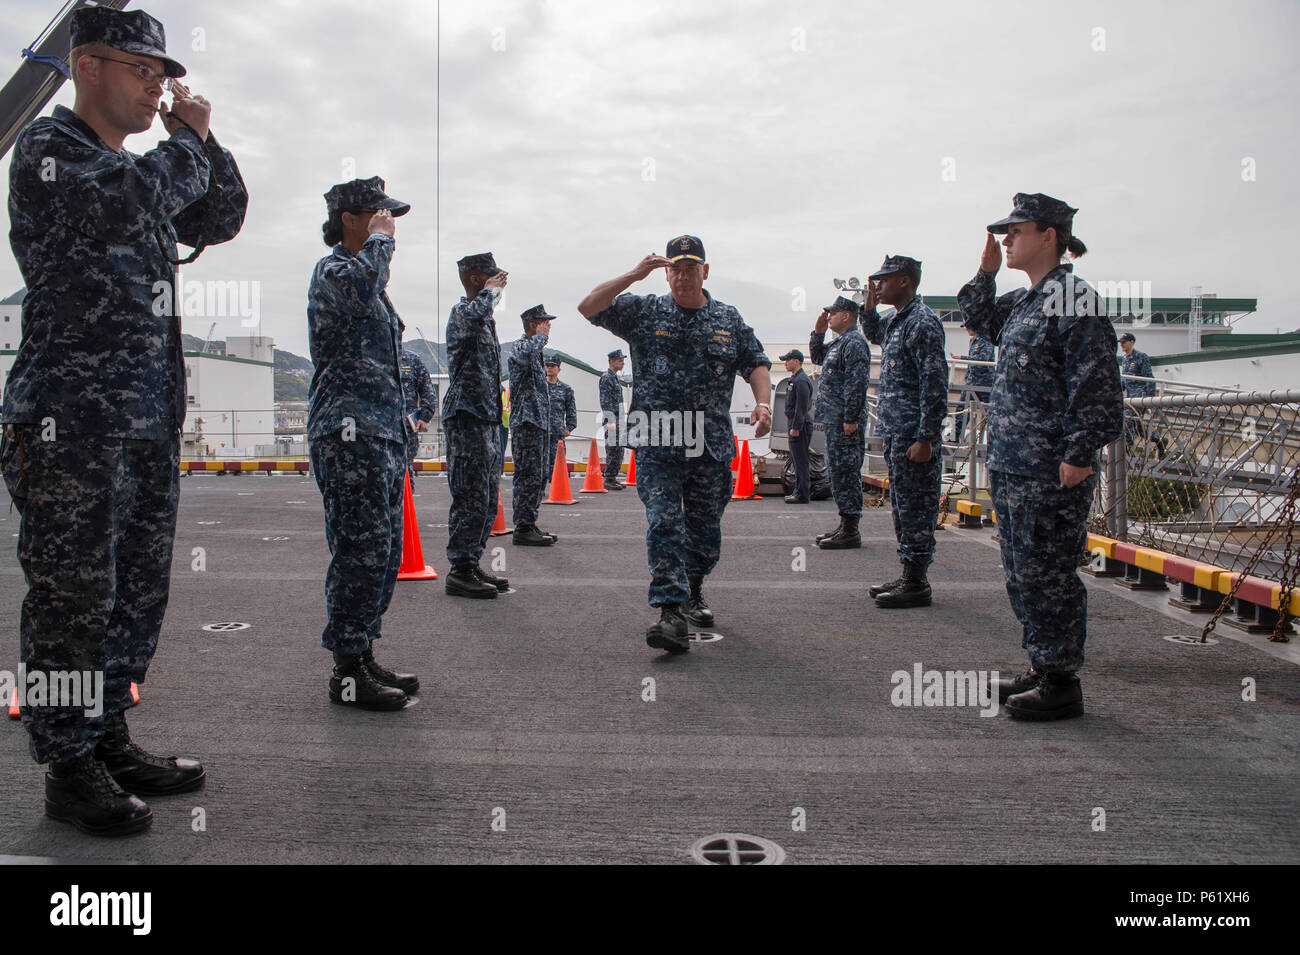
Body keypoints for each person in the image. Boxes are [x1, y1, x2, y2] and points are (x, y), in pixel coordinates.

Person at [0, 5, 246, 835]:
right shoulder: (50, 152)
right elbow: (136, 198)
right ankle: (67, 763)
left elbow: (219, 215)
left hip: (141, 419)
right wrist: (182, 148)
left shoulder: (151, 167)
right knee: (71, 598)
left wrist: (202, 141)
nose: (158, 88)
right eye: (143, 71)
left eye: (164, 75)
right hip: (68, 423)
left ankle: (106, 733)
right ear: (87, 67)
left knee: (132, 594)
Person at [957, 192, 1123, 720]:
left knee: (1049, 572)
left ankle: (1061, 682)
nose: (1005, 241)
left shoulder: (1073, 298)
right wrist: (984, 273)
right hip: (1014, 463)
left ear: (1049, 235)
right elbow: (980, 318)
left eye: (1016, 231)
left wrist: (1078, 451)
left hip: (1051, 467)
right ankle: (1040, 662)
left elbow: (1096, 384)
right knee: (1021, 570)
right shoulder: (1027, 300)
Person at [580, 236, 771, 651]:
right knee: (664, 522)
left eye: (691, 268)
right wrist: (633, 274)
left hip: (710, 444)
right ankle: (670, 612)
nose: (683, 276)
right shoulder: (644, 310)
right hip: (657, 441)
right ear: (665, 272)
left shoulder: (727, 318)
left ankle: (693, 588)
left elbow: (756, 362)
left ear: (705, 271)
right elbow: (588, 307)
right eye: (675, 269)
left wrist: (762, 403)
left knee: (704, 532)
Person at [308, 176, 420, 713]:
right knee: (359, 550)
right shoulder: (337, 272)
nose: (388, 223)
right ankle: (346, 670)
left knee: (383, 549)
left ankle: (364, 649)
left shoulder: (367, 276)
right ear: (351, 218)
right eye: (378, 214)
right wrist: (381, 241)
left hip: (379, 435)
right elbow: (360, 286)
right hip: (347, 434)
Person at [858, 256, 949, 608]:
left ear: (906, 281)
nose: (878, 286)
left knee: (916, 506)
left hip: (914, 434)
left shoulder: (922, 323)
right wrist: (868, 304)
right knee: (903, 506)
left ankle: (917, 581)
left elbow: (934, 383)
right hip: (899, 431)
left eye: (885, 280)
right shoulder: (898, 321)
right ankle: (909, 573)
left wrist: (926, 437)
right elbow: (873, 332)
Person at [443, 253, 511, 598]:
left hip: (485, 415)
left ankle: (471, 561)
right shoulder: (463, 313)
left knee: (486, 495)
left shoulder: (485, 319)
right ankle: (459, 568)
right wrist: (490, 293)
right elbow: (472, 317)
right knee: (469, 495)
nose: (499, 284)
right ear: (474, 279)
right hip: (466, 415)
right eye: (491, 278)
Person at [808, 300, 870, 546]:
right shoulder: (840, 342)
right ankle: (845, 525)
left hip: (845, 421)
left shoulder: (854, 342)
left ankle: (851, 530)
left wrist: (851, 417)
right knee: (837, 472)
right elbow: (818, 357)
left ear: (846, 316)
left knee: (846, 472)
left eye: (832, 313)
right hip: (835, 420)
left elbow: (857, 383)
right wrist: (819, 332)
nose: (829, 316)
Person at [508, 305, 557, 546]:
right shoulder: (521, 347)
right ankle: (523, 527)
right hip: (526, 423)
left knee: (538, 476)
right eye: (543, 322)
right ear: (532, 324)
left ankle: (529, 521)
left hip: (538, 424)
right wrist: (540, 337)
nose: (548, 326)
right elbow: (524, 354)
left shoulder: (536, 352)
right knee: (527, 476)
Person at [1118, 332, 1165, 455]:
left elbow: (1149, 378)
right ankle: (1159, 440)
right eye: (1121, 343)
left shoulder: (1141, 356)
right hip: (1129, 398)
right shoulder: (1125, 359)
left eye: (1124, 342)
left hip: (1140, 397)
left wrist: (1149, 400)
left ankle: (1128, 450)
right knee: (1138, 427)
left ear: (1132, 342)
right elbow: (1124, 381)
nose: (1122, 345)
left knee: (1127, 420)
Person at [781, 349, 815, 504]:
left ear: (797, 361)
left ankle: (802, 494)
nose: (786, 363)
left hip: (799, 425)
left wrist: (796, 427)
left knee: (801, 460)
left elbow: (801, 406)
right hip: (795, 423)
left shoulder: (801, 380)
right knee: (796, 459)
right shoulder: (794, 379)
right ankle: (799, 491)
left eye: (788, 360)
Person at [953, 327, 995, 446]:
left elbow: (982, 360)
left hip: (984, 383)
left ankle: (992, 440)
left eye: (968, 327)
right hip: (971, 383)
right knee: (961, 410)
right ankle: (956, 437)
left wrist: (962, 358)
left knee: (990, 412)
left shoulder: (985, 340)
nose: (966, 329)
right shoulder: (973, 341)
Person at [399, 344, 438, 471]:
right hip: (378, 431)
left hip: (405, 431)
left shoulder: (412, 360)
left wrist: (425, 416)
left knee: (405, 474)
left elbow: (428, 392)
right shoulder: (372, 359)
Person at [599, 349, 627, 490]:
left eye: (622, 360)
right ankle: (609, 478)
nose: (622, 362)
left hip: (619, 419)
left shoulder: (614, 378)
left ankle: (612, 477)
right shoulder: (607, 378)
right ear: (611, 361)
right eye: (619, 360)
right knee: (613, 448)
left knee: (618, 449)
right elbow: (605, 401)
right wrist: (610, 420)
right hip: (612, 420)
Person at [545, 356, 578, 477]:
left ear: (559, 369)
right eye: (548, 365)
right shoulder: (539, 386)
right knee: (541, 466)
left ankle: (558, 492)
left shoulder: (566, 389)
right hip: (541, 432)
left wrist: (569, 427)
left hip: (557, 433)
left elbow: (571, 410)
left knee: (558, 466)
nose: (549, 368)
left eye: (553, 366)